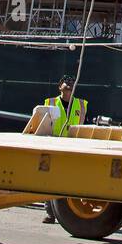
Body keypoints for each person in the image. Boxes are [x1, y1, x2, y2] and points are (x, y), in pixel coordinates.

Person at [41, 77, 88, 224]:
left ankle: (68, 214)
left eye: (72, 83)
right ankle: (50, 214)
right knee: (50, 180)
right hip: (53, 145)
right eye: (66, 83)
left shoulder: (81, 104)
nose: (69, 85)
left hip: (72, 146)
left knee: (67, 181)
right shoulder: (50, 103)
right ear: (59, 86)